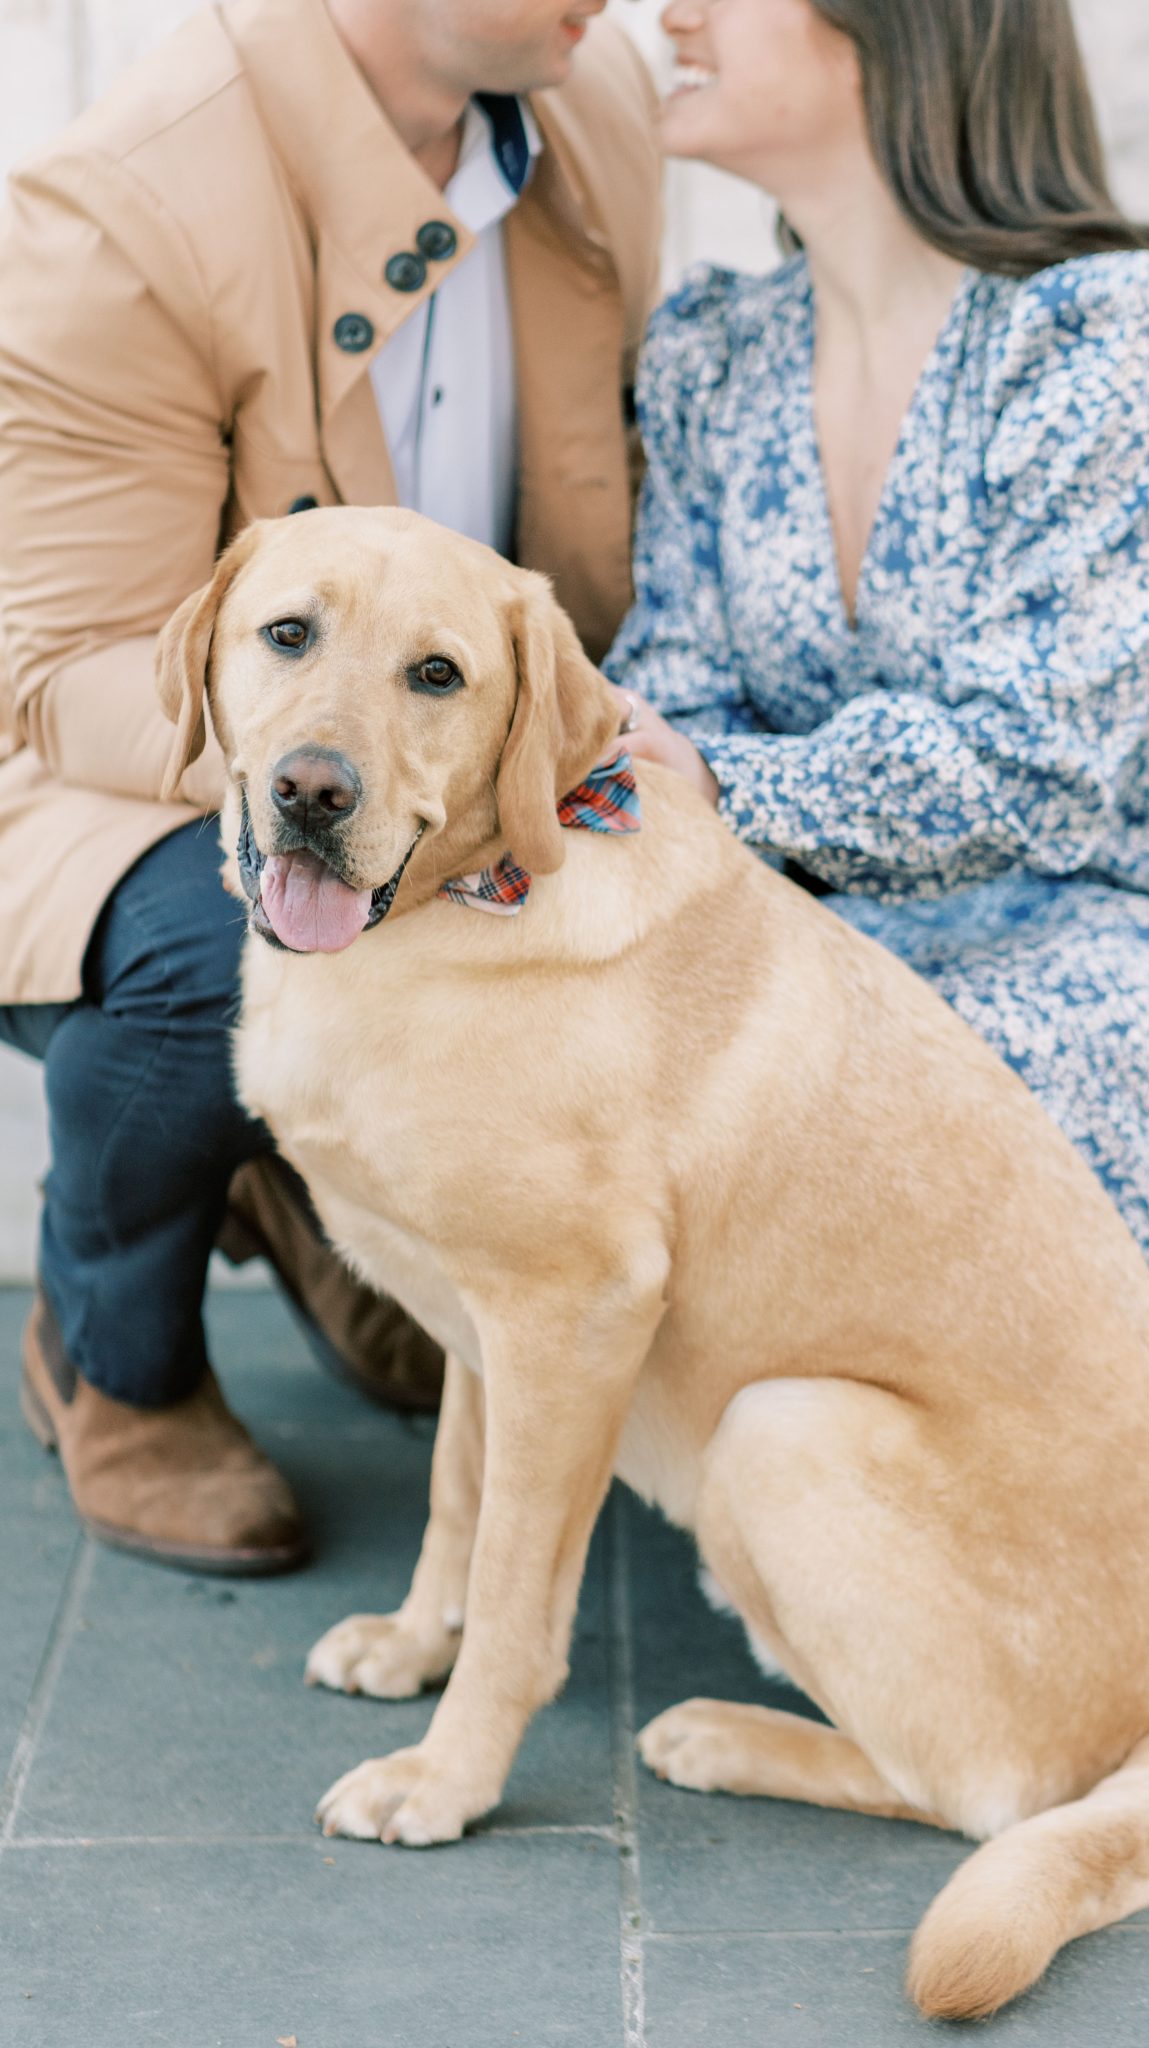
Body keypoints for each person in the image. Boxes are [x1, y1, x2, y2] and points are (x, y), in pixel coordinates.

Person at [605, 0, 1149, 1719]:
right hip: (855, 929)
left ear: (894, 34)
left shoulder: (1101, 337)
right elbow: (667, 689)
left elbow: (1033, 760)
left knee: (932, 1080)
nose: (675, 14)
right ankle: (837, 1536)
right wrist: (679, 779)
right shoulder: (712, 353)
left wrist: (711, 780)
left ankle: (1091, 1610)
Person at [0, 0, 660, 1573]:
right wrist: (343, 764)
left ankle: (320, 1181)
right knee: (212, 941)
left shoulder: (594, 98)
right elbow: (63, 669)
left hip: (453, 737)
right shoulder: (119, 211)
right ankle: (116, 1363)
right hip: (108, 773)